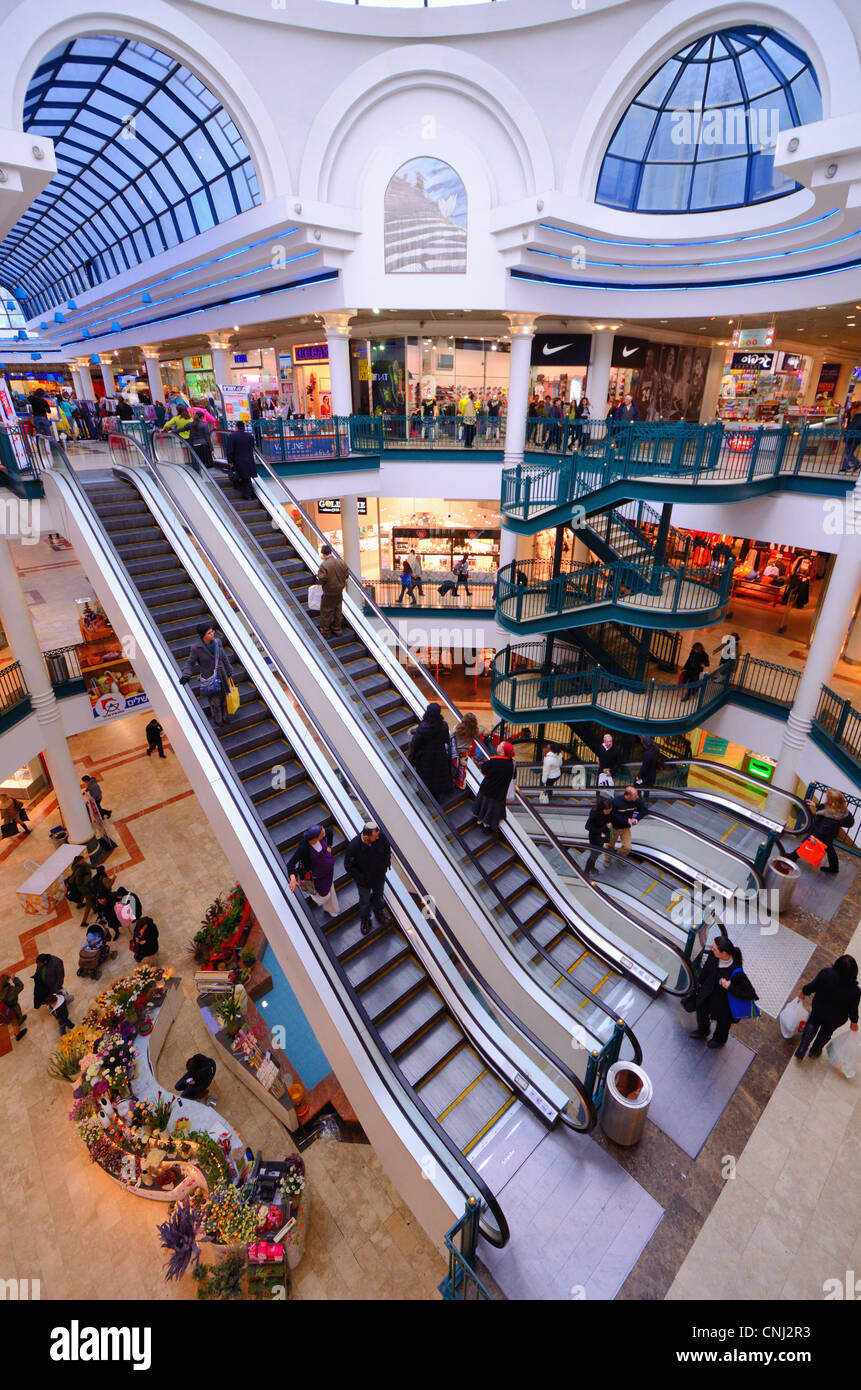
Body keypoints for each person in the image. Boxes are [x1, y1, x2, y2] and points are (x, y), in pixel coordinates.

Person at [689, 934, 759, 1049]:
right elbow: (706, 968)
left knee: (723, 1022)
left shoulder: (737, 972)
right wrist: (700, 981)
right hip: (708, 993)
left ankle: (719, 1040)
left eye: (714, 948)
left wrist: (730, 986)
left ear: (724, 953)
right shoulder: (714, 955)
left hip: (724, 1002)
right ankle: (703, 1031)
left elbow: (751, 993)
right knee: (701, 1010)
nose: (711, 950)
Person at [795, 955, 860, 1059]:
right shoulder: (855, 991)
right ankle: (815, 1051)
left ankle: (802, 1048)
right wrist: (854, 1022)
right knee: (826, 1032)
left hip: (819, 1008)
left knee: (812, 1023)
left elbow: (813, 985)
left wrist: (804, 991)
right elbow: (853, 1009)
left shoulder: (826, 973)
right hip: (836, 1018)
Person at [784, 789, 854, 874]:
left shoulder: (831, 816)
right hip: (831, 833)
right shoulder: (843, 810)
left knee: (808, 842)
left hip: (823, 834)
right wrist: (816, 805)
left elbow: (823, 829)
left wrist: (814, 837)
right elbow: (849, 822)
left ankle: (793, 856)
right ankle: (834, 868)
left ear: (831, 800)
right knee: (829, 849)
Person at [180, 620, 234, 727]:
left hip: (221, 676)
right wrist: (186, 675)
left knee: (224, 699)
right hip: (209, 679)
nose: (212, 634)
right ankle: (218, 720)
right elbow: (190, 662)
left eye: (212, 631)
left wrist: (229, 669)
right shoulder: (196, 648)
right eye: (209, 633)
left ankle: (225, 717)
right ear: (203, 635)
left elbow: (223, 657)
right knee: (215, 703)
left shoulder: (217, 642)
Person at [344, 821, 393, 936]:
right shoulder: (354, 846)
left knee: (379, 894)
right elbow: (348, 866)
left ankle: (379, 911)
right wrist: (360, 878)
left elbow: (387, 848)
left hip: (379, 875)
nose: (377, 838)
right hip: (364, 880)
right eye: (375, 837)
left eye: (378, 835)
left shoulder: (380, 837)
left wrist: (386, 863)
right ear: (366, 836)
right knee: (364, 899)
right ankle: (366, 917)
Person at [286, 824, 339, 916]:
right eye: (322, 833)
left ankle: (332, 909)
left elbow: (329, 831)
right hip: (318, 875)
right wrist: (293, 879)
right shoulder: (304, 848)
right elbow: (291, 864)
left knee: (330, 887)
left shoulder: (320, 835)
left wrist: (329, 846)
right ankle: (320, 900)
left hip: (328, 870)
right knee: (324, 894)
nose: (324, 833)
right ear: (315, 838)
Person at [407, 702, 454, 800]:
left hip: (426, 757)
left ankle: (426, 797)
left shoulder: (423, 727)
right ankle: (436, 796)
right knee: (437, 775)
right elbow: (446, 739)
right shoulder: (444, 725)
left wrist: (411, 758)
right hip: (440, 756)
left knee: (427, 776)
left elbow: (415, 743)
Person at [473, 740, 515, 832]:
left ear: (502, 751)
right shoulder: (511, 763)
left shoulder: (494, 761)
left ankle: (481, 820)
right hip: (500, 793)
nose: (498, 745)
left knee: (484, 806)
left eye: (501, 745)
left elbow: (484, 769)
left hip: (487, 790)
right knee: (493, 808)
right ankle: (489, 823)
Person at [316, 542, 349, 640]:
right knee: (338, 611)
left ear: (323, 554)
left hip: (329, 593)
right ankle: (337, 630)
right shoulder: (341, 562)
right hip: (339, 592)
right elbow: (347, 575)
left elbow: (322, 579)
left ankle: (325, 632)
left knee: (326, 612)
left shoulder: (324, 565)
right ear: (330, 552)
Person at [608, 785, 648, 857]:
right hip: (614, 827)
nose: (637, 797)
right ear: (628, 795)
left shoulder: (636, 800)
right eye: (635, 795)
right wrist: (627, 820)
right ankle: (607, 858)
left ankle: (619, 856)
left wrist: (637, 818)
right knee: (610, 845)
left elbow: (644, 810)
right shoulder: (615, 802)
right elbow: (612, 815)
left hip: (625, 828)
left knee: (627, 847)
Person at [225, 419, 257, 500]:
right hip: (249, 460)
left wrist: (230, 461)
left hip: (238, 460)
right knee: (247, 478)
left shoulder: (232, 436)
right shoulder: (250, 436)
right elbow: (252, 447)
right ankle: (248, 495)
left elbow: (230, 450)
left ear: (236, 427)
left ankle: (240, 490)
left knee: (238, 476)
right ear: (244, 427)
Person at [452, 712, 485, 789]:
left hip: (455, 751)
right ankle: (461, 785)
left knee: (453, 766)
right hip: (464, 753)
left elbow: (450, 735)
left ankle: (452, 781)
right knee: (462, 769)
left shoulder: (457, 728)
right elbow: (482, 729)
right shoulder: (474, 731)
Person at [584, 798, 613, 872]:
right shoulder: (595, 813)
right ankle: (586, 872)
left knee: (597, 853)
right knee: (594, 854)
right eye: (607, 811)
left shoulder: (608, 812)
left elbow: (608, 821)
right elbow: (587, 827)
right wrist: (603, 828)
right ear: (602, 809)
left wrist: (609, 831)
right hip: (594, 836)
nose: (609, 812)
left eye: (610, 810)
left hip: (601, 836)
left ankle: (592, 867)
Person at [0, 973, 27, 1040]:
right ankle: (17, 1035)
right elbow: (20, 986)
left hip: (6, 1007)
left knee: (17, 1016)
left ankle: (20, 1020)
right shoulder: (11, 990)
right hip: (10, 1009)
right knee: (14, 1021)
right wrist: (15, 979)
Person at [636, 736, 663, 800]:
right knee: (647, 789)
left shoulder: (647, 754)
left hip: (646, 776)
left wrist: (639, 776)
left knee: (637, 784)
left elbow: (644, 767)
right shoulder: (656, 749)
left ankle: (639, 799)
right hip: (652, 774)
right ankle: (645, 799)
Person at [839, 406, 861, 473]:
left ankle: (856, 463)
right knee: (848, 451)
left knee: (847, 452)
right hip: (854, 437)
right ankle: (845, 466)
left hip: (852, 437)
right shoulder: (856, 418)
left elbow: (854, 427)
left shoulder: (857, 418)